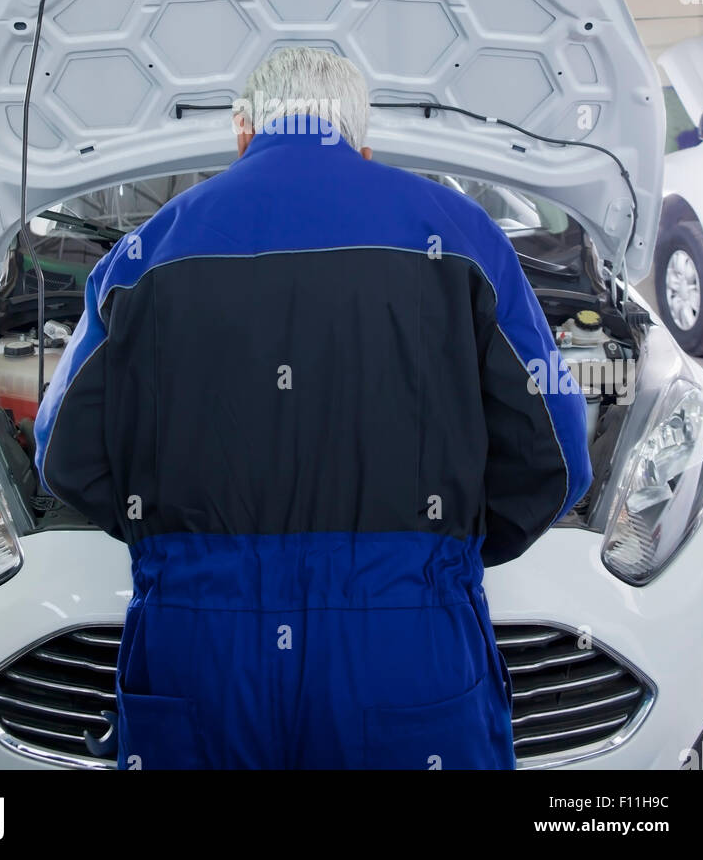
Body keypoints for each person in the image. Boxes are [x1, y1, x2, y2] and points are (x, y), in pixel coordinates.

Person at [34, 47, 591, 770]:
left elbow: (63, 453)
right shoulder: (462, 237)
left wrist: (175, 549)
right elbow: (556, 452)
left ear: (242, 134)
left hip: (198, 652)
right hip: (406, 646)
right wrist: (442, 556)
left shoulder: (141, 256)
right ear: (363, 142)